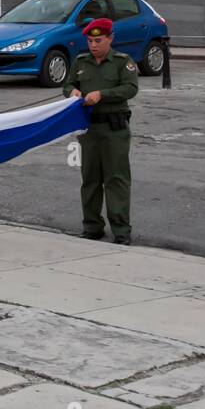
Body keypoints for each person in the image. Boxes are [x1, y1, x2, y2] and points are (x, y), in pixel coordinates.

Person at [64, 17, 139, 244]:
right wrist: (72, 93)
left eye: (98, 40)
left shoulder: (122, 62)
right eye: (90, 40)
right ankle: (92, 227)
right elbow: (68, 84)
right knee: (90, 179)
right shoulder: (81, 61)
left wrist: (102, 94)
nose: (93, 45)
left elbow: (130, 88)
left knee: (116, 179)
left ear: (110, 39)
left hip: (114, 129)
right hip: (89, 130)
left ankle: (121, 230)